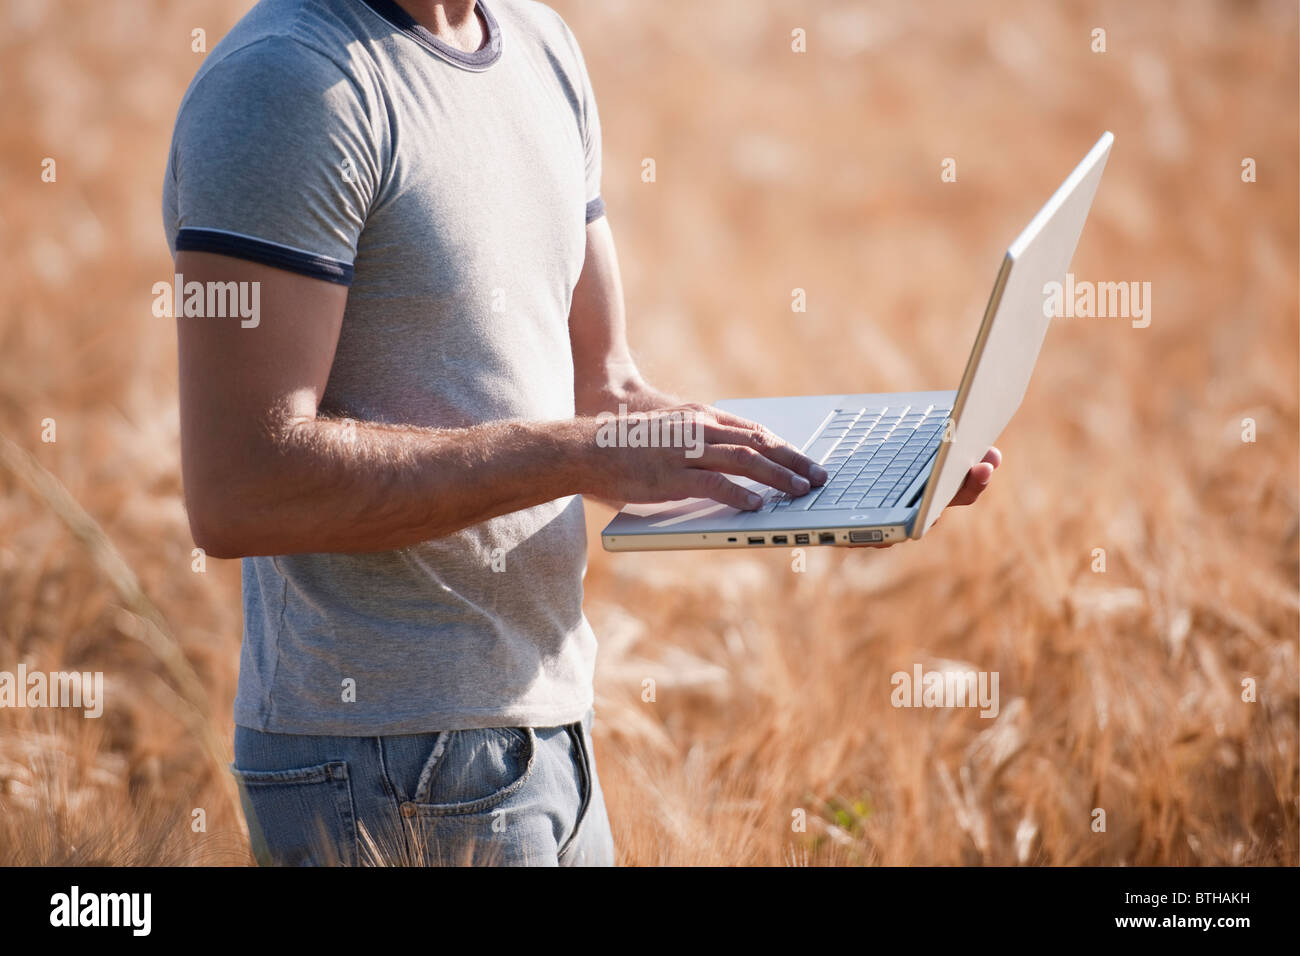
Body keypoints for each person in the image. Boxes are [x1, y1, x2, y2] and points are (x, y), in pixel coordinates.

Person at [162, 0, 1000, 866]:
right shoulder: (289, 84)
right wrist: (573, 455)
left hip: (553, 728)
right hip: (381, 758)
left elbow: (604, 390)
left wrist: (836, 484)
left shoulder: (539, 46)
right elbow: (242, 487)